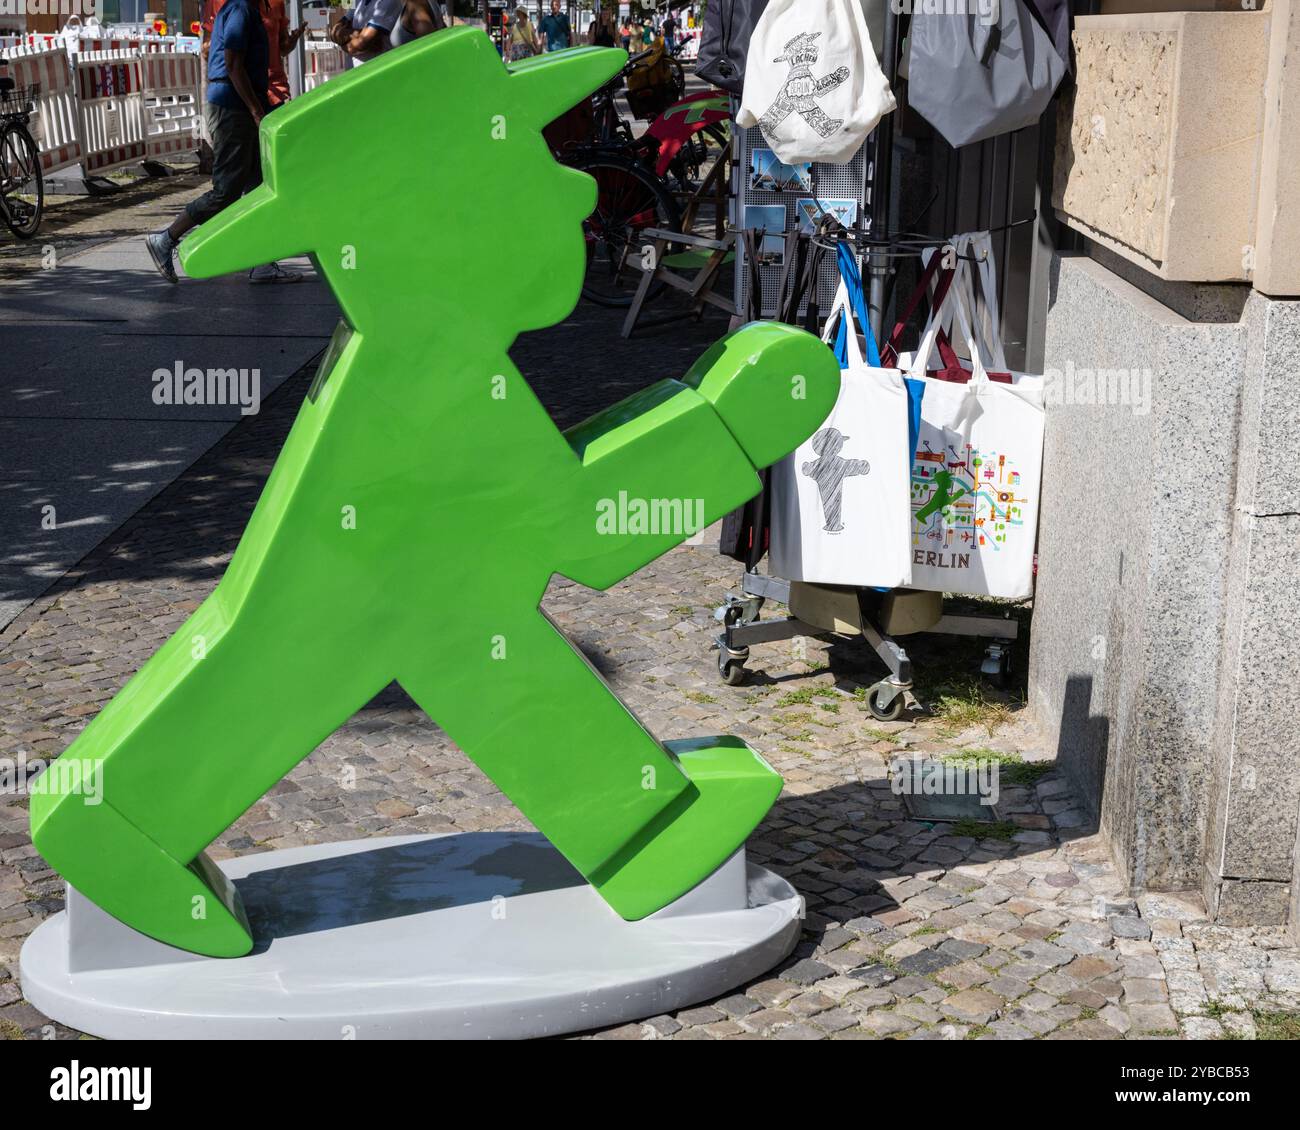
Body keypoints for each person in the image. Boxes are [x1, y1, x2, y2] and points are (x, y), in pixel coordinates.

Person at [145, 0, 273, 284]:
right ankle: (166, 238)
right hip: (233, 108)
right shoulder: (240, 9)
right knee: (226, 190)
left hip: (236, 105)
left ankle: (263, 262)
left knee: (258, 187)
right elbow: (232, 64)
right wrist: (255, 110)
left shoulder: (242, 9)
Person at [330, 0, 403, 63]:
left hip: (376, 70)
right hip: (355, 72)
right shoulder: (359, 1)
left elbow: (362, 44)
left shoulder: (388, 2)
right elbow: (334, 32)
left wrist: (343, 40)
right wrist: (354, 34)